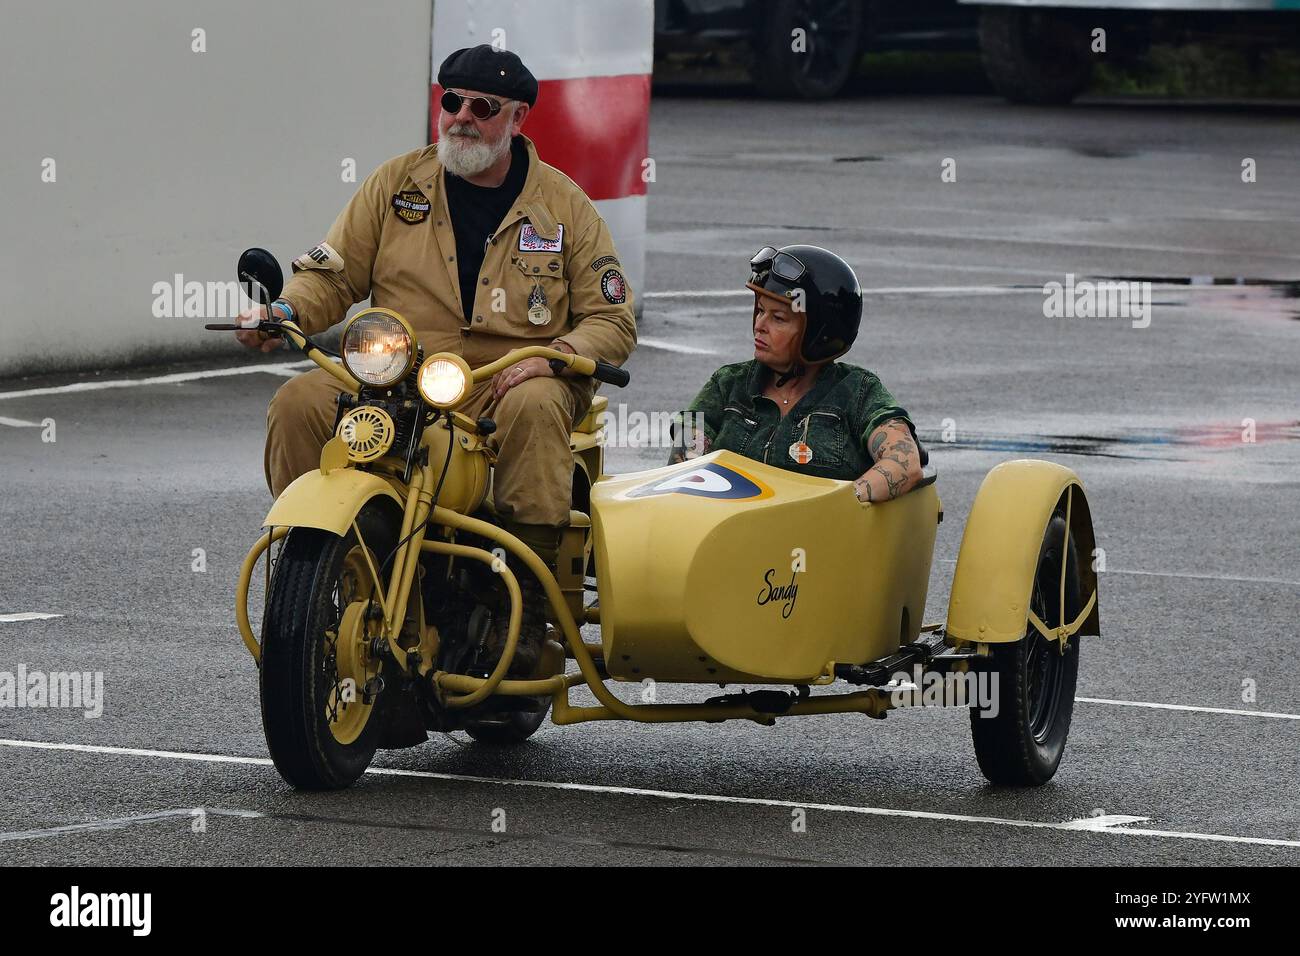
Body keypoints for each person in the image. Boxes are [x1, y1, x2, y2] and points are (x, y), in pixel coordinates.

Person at [236, 45, 636, 675]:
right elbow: (331, 275)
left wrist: (557, 357)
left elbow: (612, 319)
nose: (462, 117)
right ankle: (324, 568)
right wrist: (283, 313)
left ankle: (522, 612)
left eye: (484, 107)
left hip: (501, 383)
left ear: (519, 118)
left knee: (536, 405)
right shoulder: (396, 185)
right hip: (396, 377)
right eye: (451, 101)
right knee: (297, 403)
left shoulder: (565, 207)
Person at [670, 244, 922, 503]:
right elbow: (684, 465)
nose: (760, 325)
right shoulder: (727, 385)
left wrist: (842, 504)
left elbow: (904, 463)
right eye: (760, 311)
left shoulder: (858, 393)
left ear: (818, 333)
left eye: (778, 318)